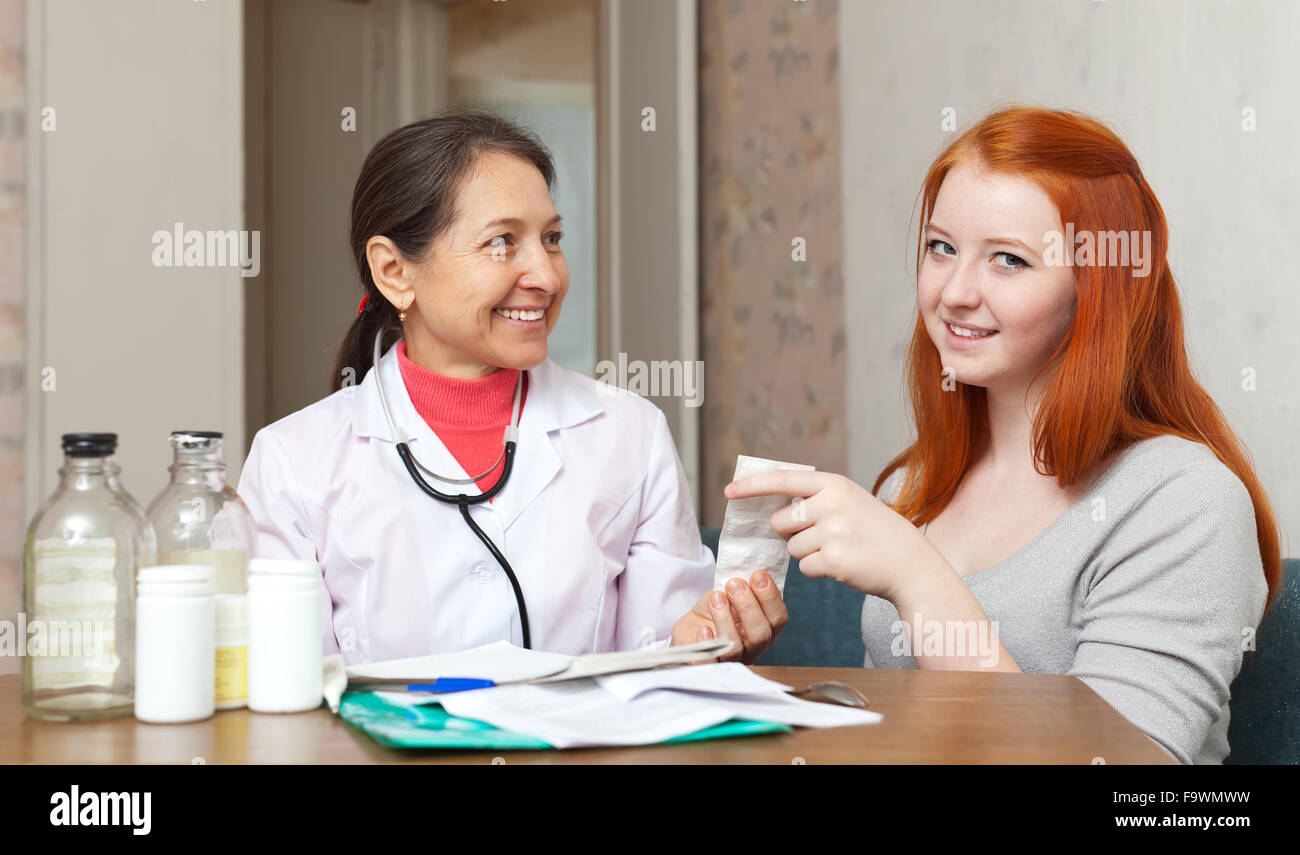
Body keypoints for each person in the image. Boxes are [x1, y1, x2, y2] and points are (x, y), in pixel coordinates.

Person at [725, 106, 1281, 764]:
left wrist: (918, 577)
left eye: (1009, 260)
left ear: (1095, 288)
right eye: (941, 247)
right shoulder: (916, 484)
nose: (955, 291)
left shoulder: (1185, 501)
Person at [237, 110, 786, 666]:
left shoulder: (630, 434)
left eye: (551, 239)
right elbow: (287, 697)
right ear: (395, 272)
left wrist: (706, 646)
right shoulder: (291, 462)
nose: (546, 277)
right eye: (502, 242)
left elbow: (659, 661)